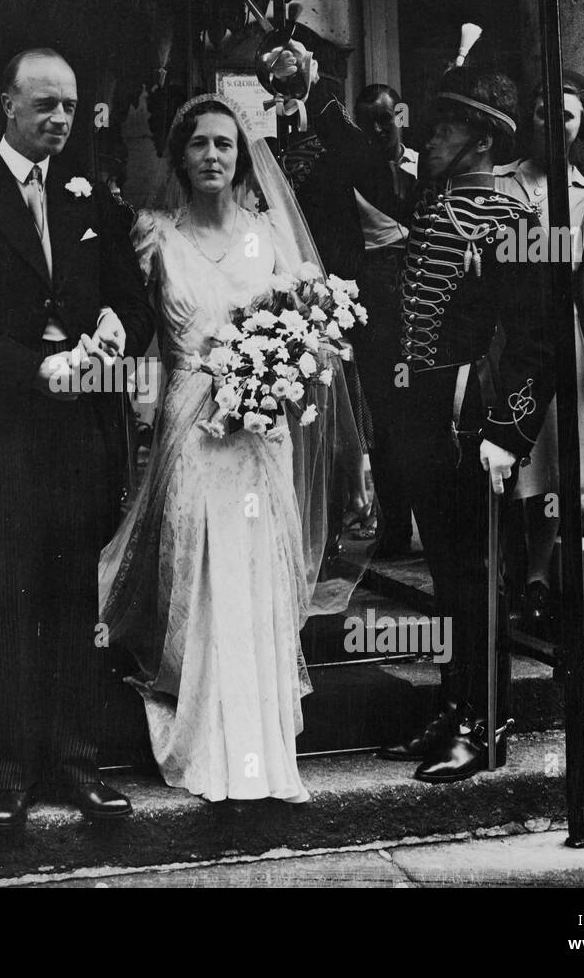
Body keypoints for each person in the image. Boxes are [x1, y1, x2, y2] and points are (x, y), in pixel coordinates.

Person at [99, 94, 362, 803]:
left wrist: (277, 377)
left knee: (253, 567)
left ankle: (257, 738)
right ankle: (204, 725)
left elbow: (308, 333)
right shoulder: (156, 238)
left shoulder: (268, 236)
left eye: (225, 144)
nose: (213, 156)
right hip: (192, 421)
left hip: (259, 431)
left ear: (241, 157)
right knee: (198, 561)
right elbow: (136, 328)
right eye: (198, 145)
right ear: (179, 157)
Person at [0, 48, 154, 831]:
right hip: (5, 431)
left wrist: (122, 327)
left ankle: (77, 762)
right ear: (8, 106)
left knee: (73, 597)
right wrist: (35, 369)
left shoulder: (90, 195)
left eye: (70, 106)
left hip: (82, 428)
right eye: (45, 105)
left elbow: (132, 299)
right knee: (13, 601)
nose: (61, 120)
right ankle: (13, 774)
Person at [375, 67, 556, 783]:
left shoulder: (514, 223)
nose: (432, 136)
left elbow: (538, 341)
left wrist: (509, 434)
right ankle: (453, 709)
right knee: (445, 572)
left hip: (472, 413)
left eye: (447, 126)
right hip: (421, 409)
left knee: (478, 571)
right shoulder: (432, 205)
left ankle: (487, 722)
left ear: (480, 139)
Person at [494, 71, 584, 631]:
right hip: (498, 335)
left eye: (566, 115)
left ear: (580, 126)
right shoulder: (494, 183)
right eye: (544, 111)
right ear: (531, 116)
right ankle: (496, 572)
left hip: (557, 339)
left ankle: (537, 575)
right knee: (498, 455)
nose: (553, 122)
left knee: (547, 464)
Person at [350, 84, 420, 559]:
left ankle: (433, 528)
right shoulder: (352, 174)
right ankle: (394, 527)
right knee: (384, 422)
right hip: (376, 308)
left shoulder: (429, 166)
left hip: (426, 306)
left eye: (384, 119)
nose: (377, 131)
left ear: (401, 113)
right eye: (367, 123)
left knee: (424, 422)